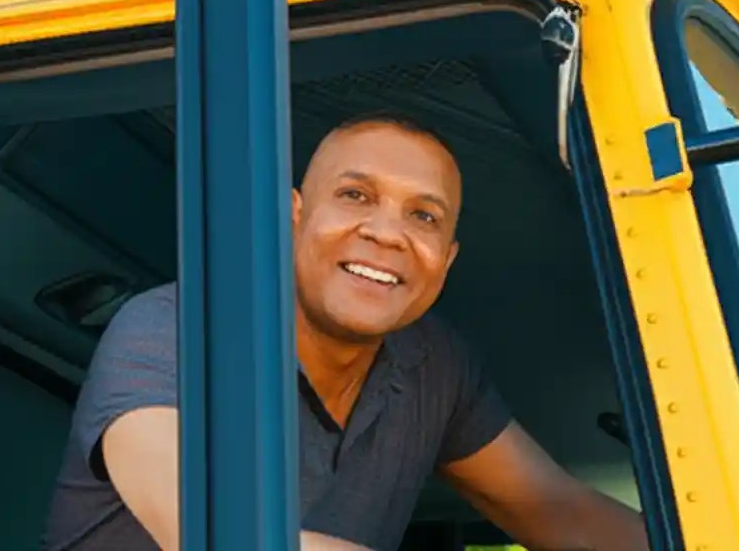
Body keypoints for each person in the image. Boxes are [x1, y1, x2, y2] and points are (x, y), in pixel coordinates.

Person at [43, 111, 649, 551]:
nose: (387, 233)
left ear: (447, 260)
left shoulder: (434, 365)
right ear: (292, 218)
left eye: (423, 216)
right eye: (356, 195)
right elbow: (215, 537)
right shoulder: (174, 331)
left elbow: (557, 510)